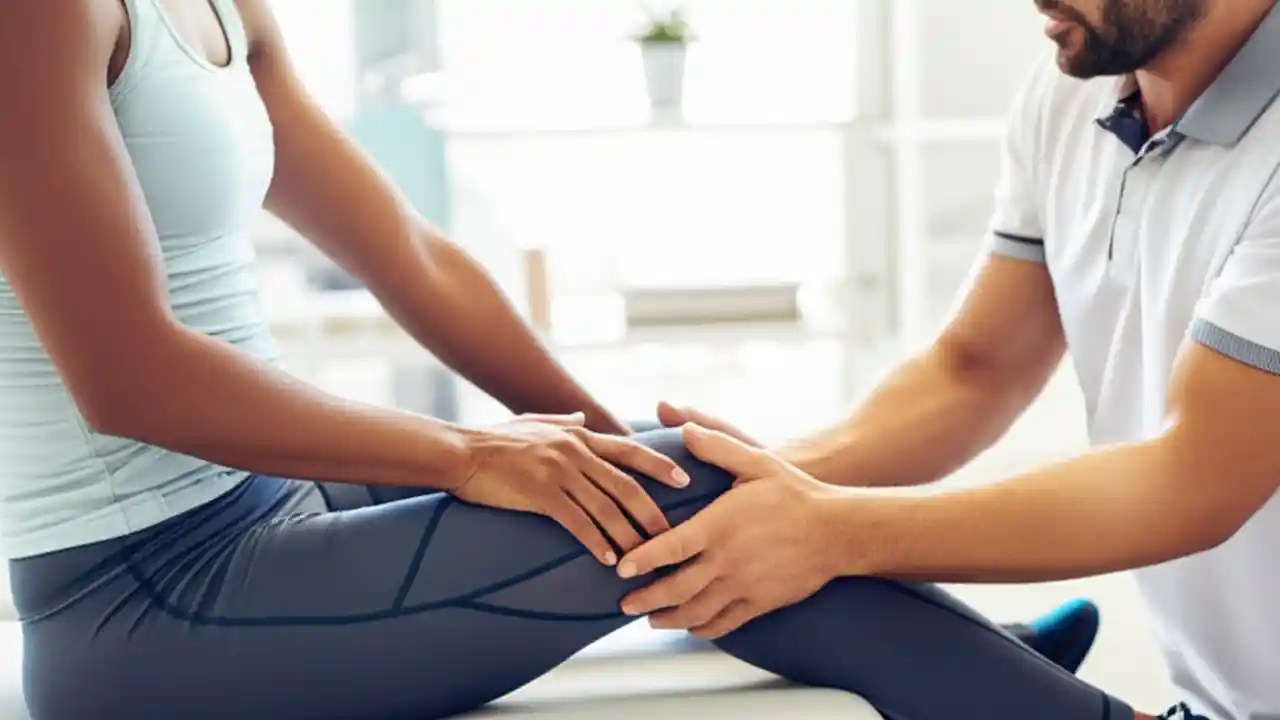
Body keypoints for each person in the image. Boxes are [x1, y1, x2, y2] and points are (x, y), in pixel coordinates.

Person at [0, 1, 1125, 719]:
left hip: (268, 508)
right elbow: (126, 377)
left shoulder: (220, 7)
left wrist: (602, 442)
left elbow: (410, 255)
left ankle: (979, 663)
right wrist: (466, 455)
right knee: (683, 486)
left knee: (671, 471)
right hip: (137, 599)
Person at [620, 1, 1280, 719]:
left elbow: (1193, 481)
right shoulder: (1076, 87)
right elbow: (974, 370)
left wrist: (832, 530)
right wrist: (758, 485)